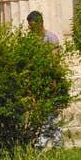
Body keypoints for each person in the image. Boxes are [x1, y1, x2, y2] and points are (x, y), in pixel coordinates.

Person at [24, 12, 64, 149]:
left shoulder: (50, 38)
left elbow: (55, 61)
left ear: (40, 23)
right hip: (36, 81)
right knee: (44, 115)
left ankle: (41, 145)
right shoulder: (31, 39)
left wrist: (53, 80)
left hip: (49, 81)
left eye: (32, 26)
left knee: (50, 113)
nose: (30, 29)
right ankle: (56, 144)